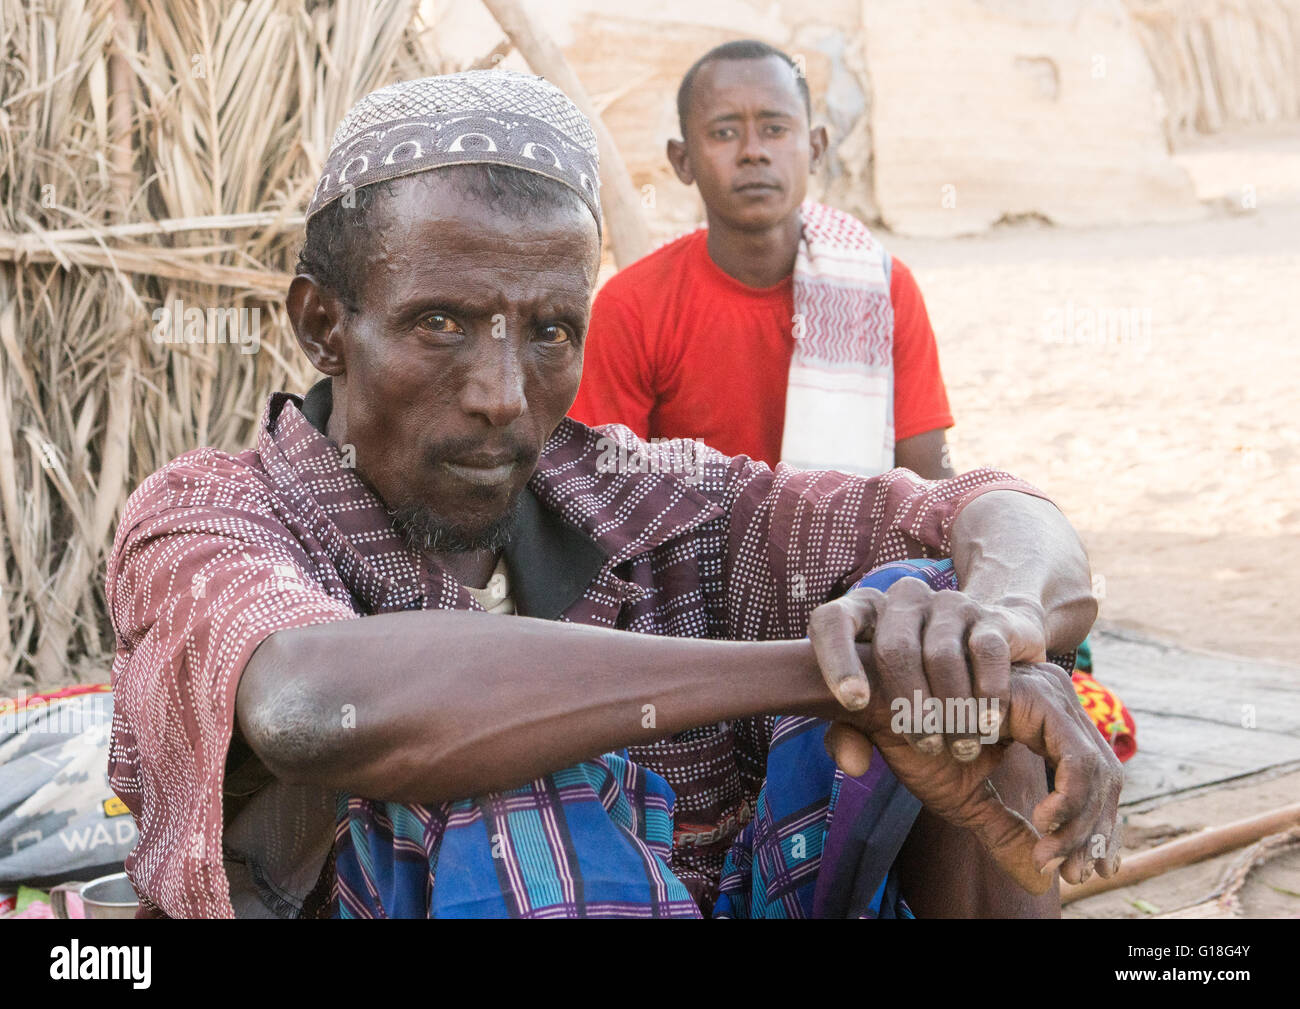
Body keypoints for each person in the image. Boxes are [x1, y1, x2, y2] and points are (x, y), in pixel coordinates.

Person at [105, 70, 1121, 920]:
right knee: (510, 776)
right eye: (442, 325)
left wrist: (985, 640)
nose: (504, 394)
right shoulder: (210, 516)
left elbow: (995, 511)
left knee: (947, 645)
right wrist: (842, 674)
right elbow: (312, 702)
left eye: (548, 330)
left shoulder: (648, 497)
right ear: (326, 326)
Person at [570, 40, 955, 480]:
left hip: (858, 545)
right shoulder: (631, 306)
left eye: (775, 129)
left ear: (815, 148)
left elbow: (930, 486)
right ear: (682, 160)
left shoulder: (882, 290)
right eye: (724, 133)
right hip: (685, 548)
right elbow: (599, 493)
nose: (754, 151)